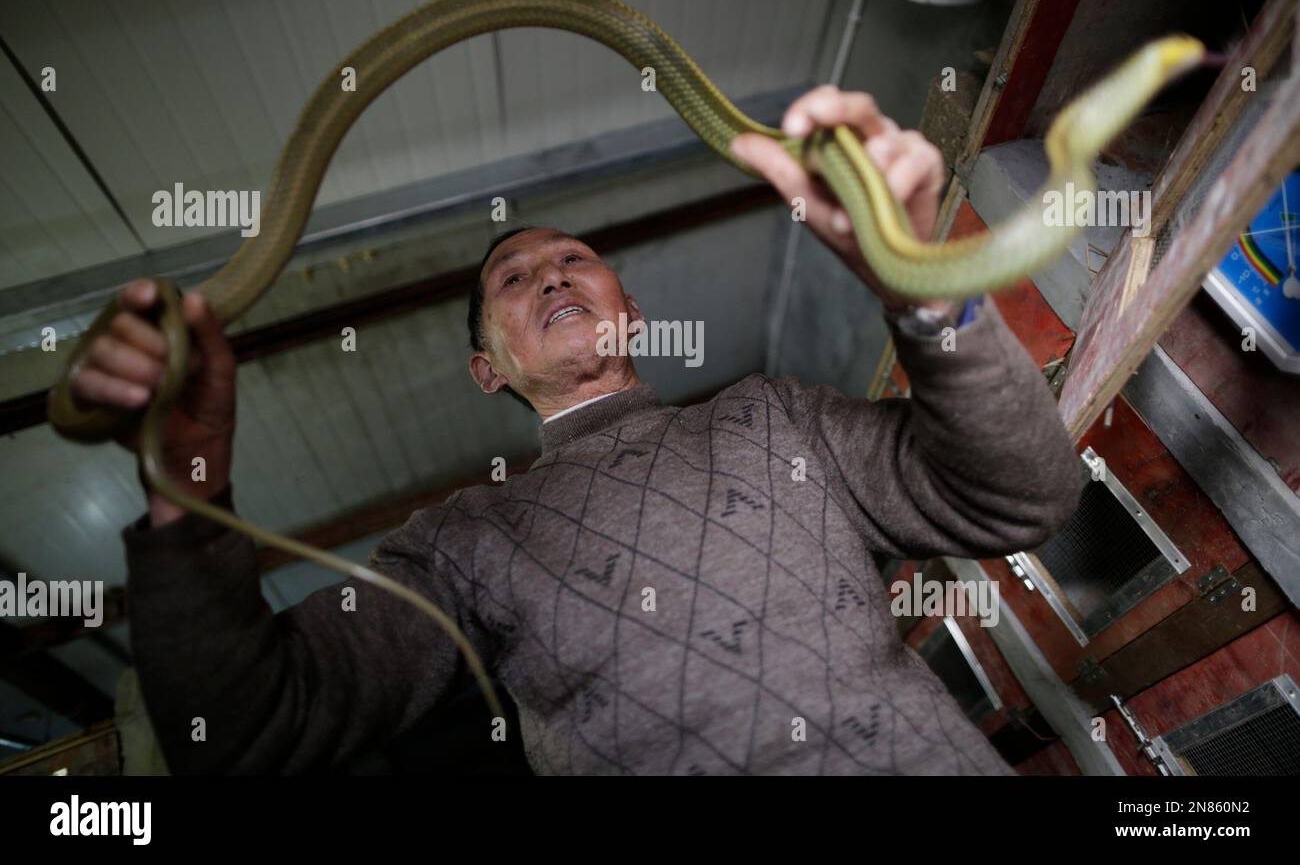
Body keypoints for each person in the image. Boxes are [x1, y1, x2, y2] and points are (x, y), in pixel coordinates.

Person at [73, 86, 1082, 774]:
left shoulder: (774, 414)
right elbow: (246, 734)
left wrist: (919, 291)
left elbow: (1025, 494)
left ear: (628, 307)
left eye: (572, 260)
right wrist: (188, 471)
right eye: (513, 281)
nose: (549, 274)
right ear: (489, 369)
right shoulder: (461, 539)